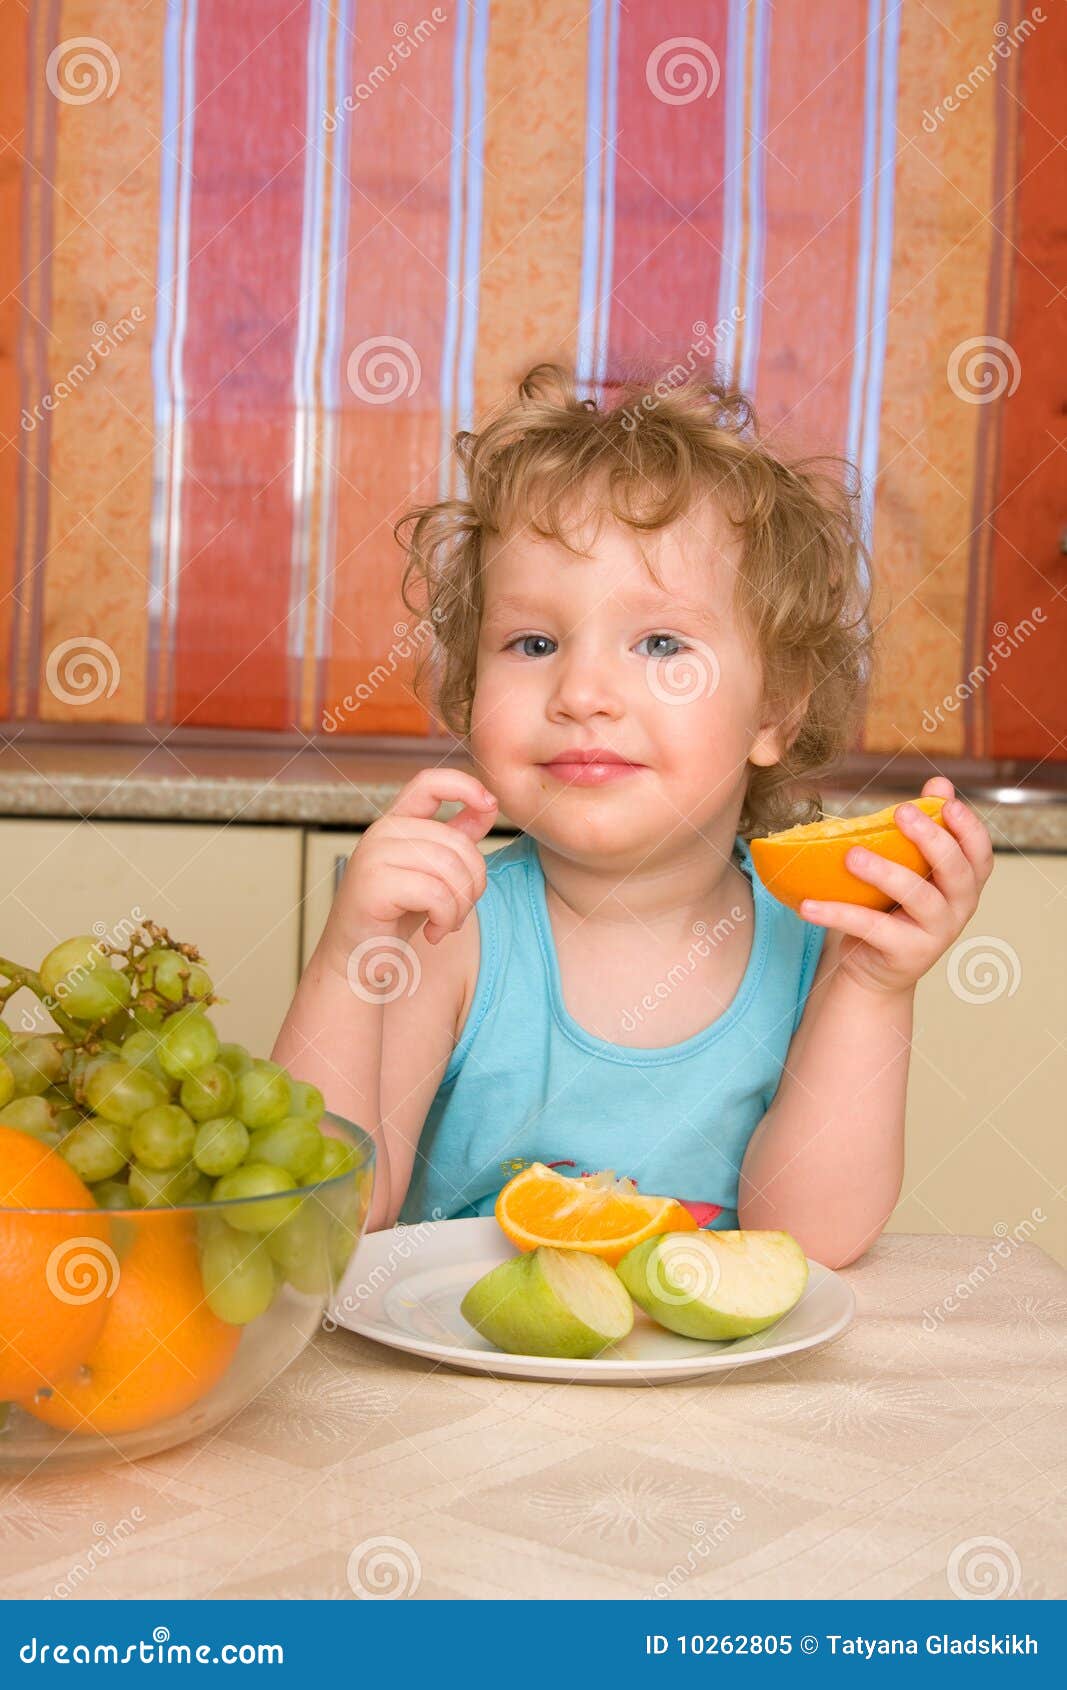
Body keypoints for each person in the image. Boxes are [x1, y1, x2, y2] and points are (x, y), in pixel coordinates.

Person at [273, 364, 994, 1268]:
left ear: (775, 710)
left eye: (659, 643)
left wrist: (873, 988)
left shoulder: (822, 942)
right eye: (532, 643)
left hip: (708, 1408)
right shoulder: (444, 930)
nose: (581, 692)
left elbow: (810, 1239)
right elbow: (320, 1219)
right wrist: (347, 962)